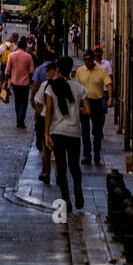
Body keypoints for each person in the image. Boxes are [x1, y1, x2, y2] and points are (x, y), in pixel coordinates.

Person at [44, 56, 89, 210]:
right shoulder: (79, 88)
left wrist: (46, 133)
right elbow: (87, 110)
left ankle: (66, 200)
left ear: (58, 69)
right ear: (71, 70)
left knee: (61, 167)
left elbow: (48, 111)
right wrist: (77, 111)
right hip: (74, 132)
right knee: (74, 165)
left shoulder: (51, 87)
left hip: (57, 131)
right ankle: (78, 189)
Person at [75, 49, 112, 166]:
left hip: (97, 102)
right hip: (84, 102)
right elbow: (76, 87)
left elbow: (109, 84)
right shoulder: (80, 71)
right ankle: (87, 154)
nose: (87, 62)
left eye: (89, 60)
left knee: (97, 131)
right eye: (85, 60)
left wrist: (110, 98)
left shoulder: (101, 71)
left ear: (93, 60)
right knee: (85, 131)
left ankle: (96, 152)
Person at [31, 59, 57, 182]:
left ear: (55, 70)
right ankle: (58, 173)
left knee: (46, 148)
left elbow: (39, 104)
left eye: (49, 71)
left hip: (45, 118)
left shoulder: (46, 85)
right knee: (59, 149)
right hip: (60, 121)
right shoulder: (70, 84)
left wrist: (35, 118)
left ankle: (46, 172)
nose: (47, 73)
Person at [4, 37, 35, 128]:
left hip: (15, 81)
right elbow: (32, 71)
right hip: (25, 82)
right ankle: (21, 118)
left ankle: (18, 118)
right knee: (24, 102)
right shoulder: (28, 56)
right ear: (25, 47)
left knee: (17, 101)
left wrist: (6, 81)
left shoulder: (12, 55)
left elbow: (7, 70)